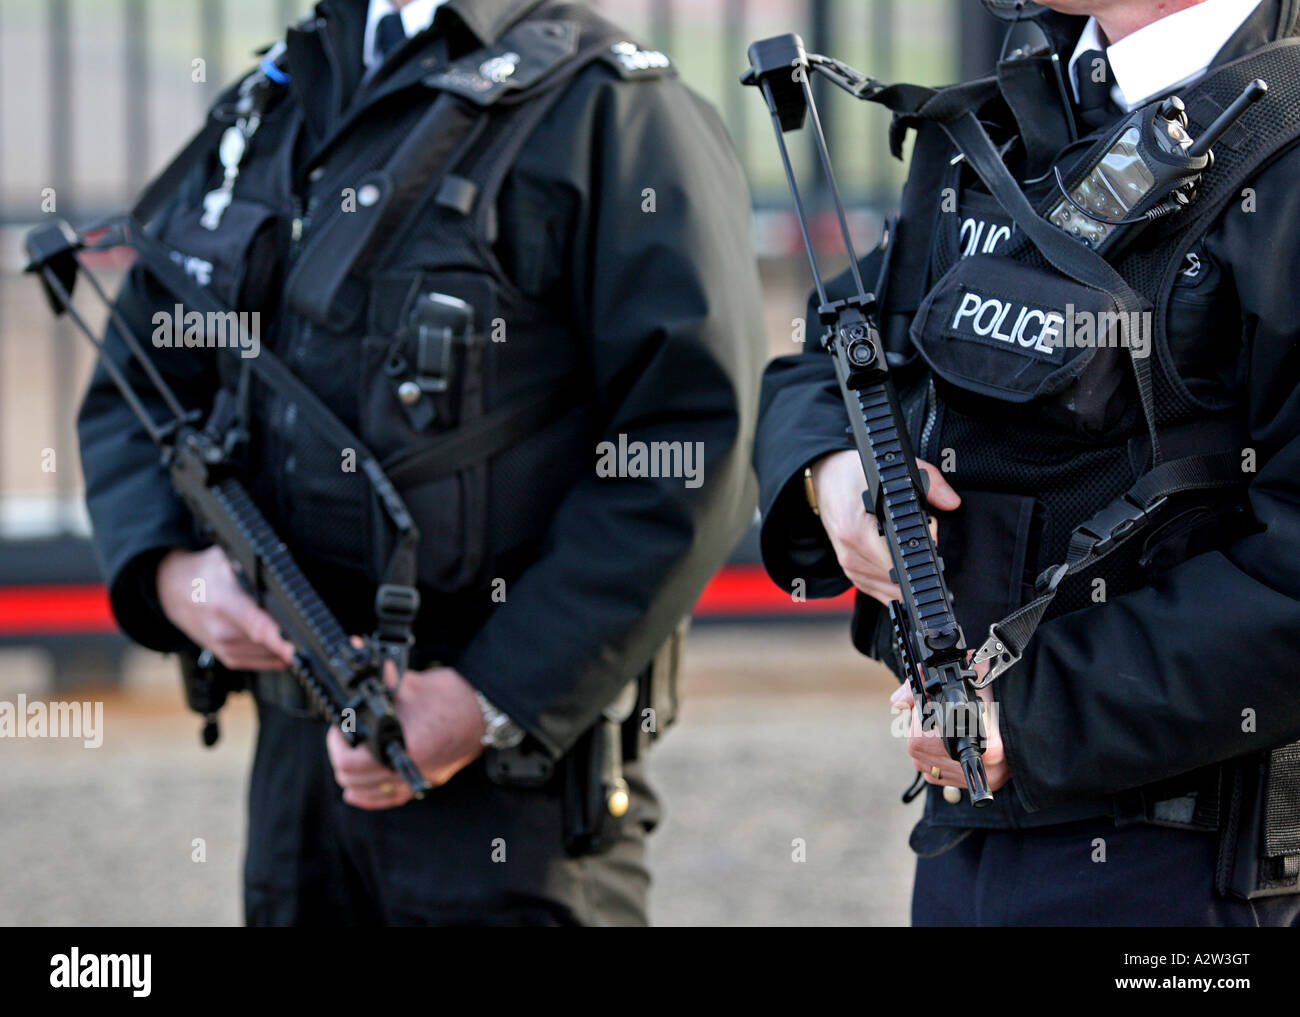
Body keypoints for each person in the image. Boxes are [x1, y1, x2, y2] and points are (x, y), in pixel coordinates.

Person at [77, 0, 763, 926]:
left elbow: (690, 445)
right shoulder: (286, 90)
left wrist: (488, 697)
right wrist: (171, 572)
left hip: (509, 785)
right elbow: (140, 368)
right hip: (300, 760)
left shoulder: (614, 113)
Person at [754, 0, 1300, 925]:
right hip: (968, 840)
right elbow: (833, 348)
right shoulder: (1015, 116)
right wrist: (832, 471)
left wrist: (1036, 710)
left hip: (1196, 879)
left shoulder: (1281, 155)